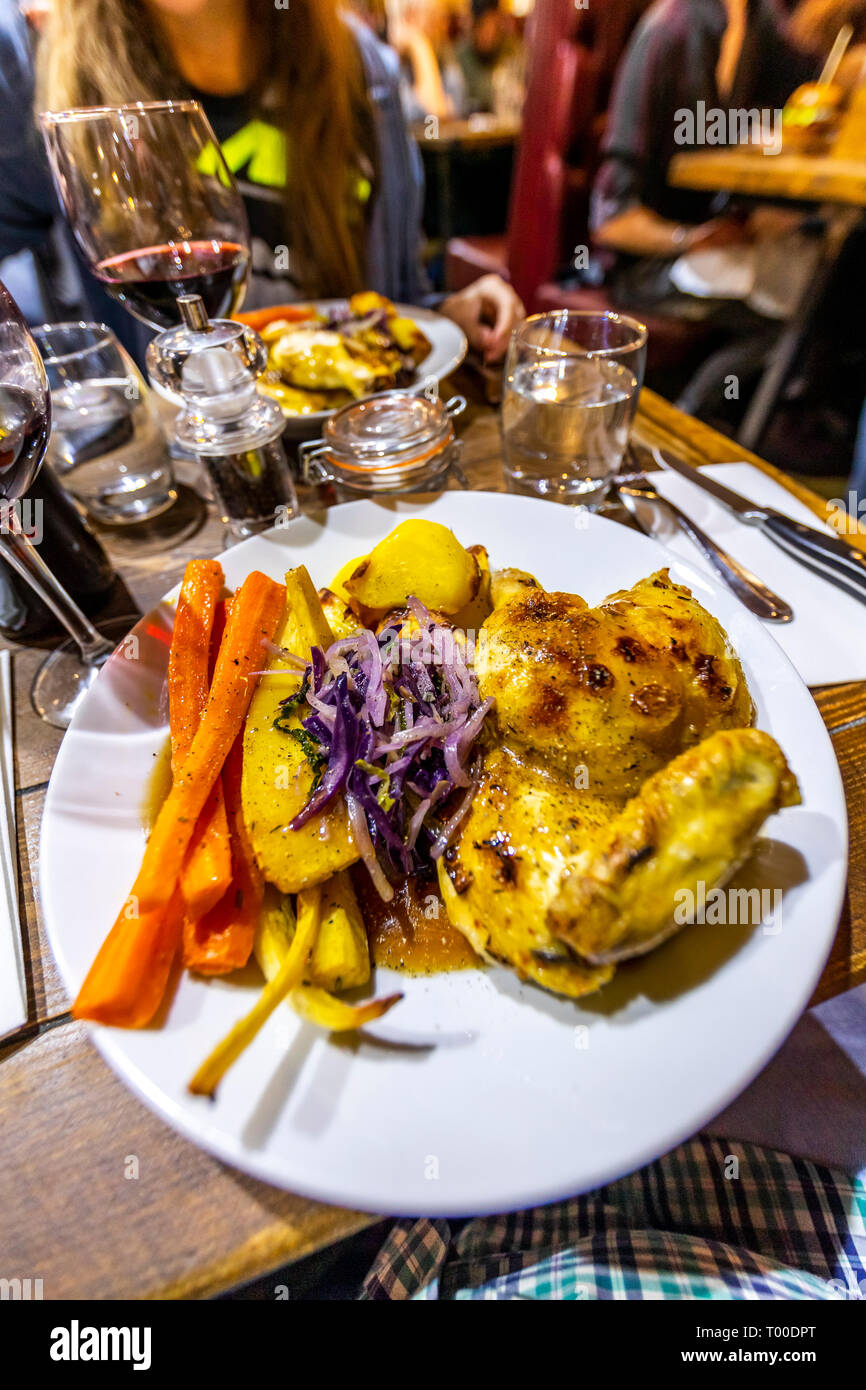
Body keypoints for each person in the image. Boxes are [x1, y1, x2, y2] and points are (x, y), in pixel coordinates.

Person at [0, 0, 523, 364]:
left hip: (364, 457)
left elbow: (395, 296)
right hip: (184, 494)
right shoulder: (32, 74)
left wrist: (450, 316)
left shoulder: (360, 69)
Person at [447, 0, 524, 118]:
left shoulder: (515, 51)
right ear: (471, 24)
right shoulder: (457, 55)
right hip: (468, 131)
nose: (489, 34)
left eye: (494, 26)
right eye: (482, 26)